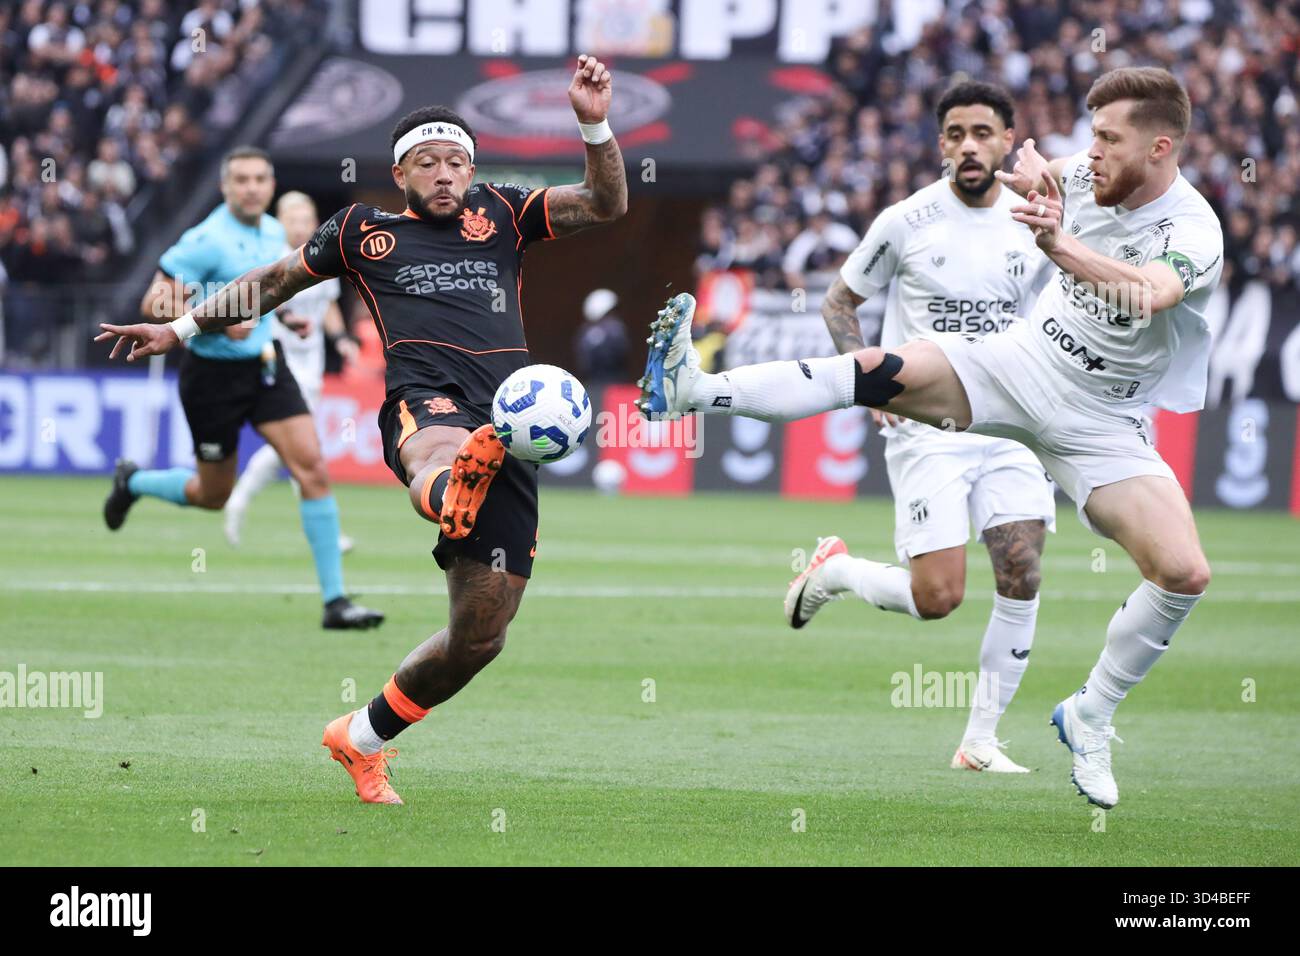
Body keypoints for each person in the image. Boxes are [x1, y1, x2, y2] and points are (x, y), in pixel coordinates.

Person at [640, 67, 1222, 809]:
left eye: (1109, 139)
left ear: (1161, 147)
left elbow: (1150, 291)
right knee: (877, 372)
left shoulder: (1193, 230)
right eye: (1092, 136)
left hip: (1107, 421)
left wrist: (1056, 240)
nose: (1093, 153)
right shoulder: (1068, 177)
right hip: (1026, 361)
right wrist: (1036, 180)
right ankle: (695, 390)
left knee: (1182, 572)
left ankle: (1090, 712)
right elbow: (1043, 182)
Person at [97, 55, 627, 804]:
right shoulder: (362, 231)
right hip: (426, 401)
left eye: (457, 162)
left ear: (471, 171)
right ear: (402, 173)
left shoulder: (506, 213)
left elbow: (606, 203)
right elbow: (272, 284)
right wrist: (180, 326)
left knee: (480, 636)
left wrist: (593, 122)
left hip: (508, 421)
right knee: (440, 459)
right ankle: (452, 488)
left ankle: (359, 738)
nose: (445, 173)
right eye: (427, 162)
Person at [784, 81, 1056, 774]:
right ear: (940, 144)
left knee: (1021, 570)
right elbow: (841, 301)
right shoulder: (906, 221)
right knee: (939, 599)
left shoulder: (1036, 220)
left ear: (1006, 142)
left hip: (1010, 421)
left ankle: (981, 741)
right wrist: (864, 374)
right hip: (928, 425)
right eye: (957, 133)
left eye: (983, 133)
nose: (970, 145)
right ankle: (838, 570)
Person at [100, 146, 381, 630]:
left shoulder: (273, 231)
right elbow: (156, 297)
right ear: (225, 188)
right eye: (242, 180)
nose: (251, 187)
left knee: (312, 467)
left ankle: (335, 602)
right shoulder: (206, 240)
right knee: (213, 494)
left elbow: (267, 294)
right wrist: (211, 322)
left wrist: (287, 320)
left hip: (266, 369)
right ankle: (134, 481)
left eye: (259, 179)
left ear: (271, 185)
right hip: (212, 379)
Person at [222, 190, 359, 552]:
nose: (300, 227)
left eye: (305, 220)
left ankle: (240, 499)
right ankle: (323, 530)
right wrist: (282, 317)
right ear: (281, 223)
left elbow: (328, 306)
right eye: (293, 220)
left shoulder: (322, 255)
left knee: (298, 448)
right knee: (304, 446)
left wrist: (342, 338)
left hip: (310, 365)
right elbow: (253, 303)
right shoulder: (269, 258)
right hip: (277, 359)